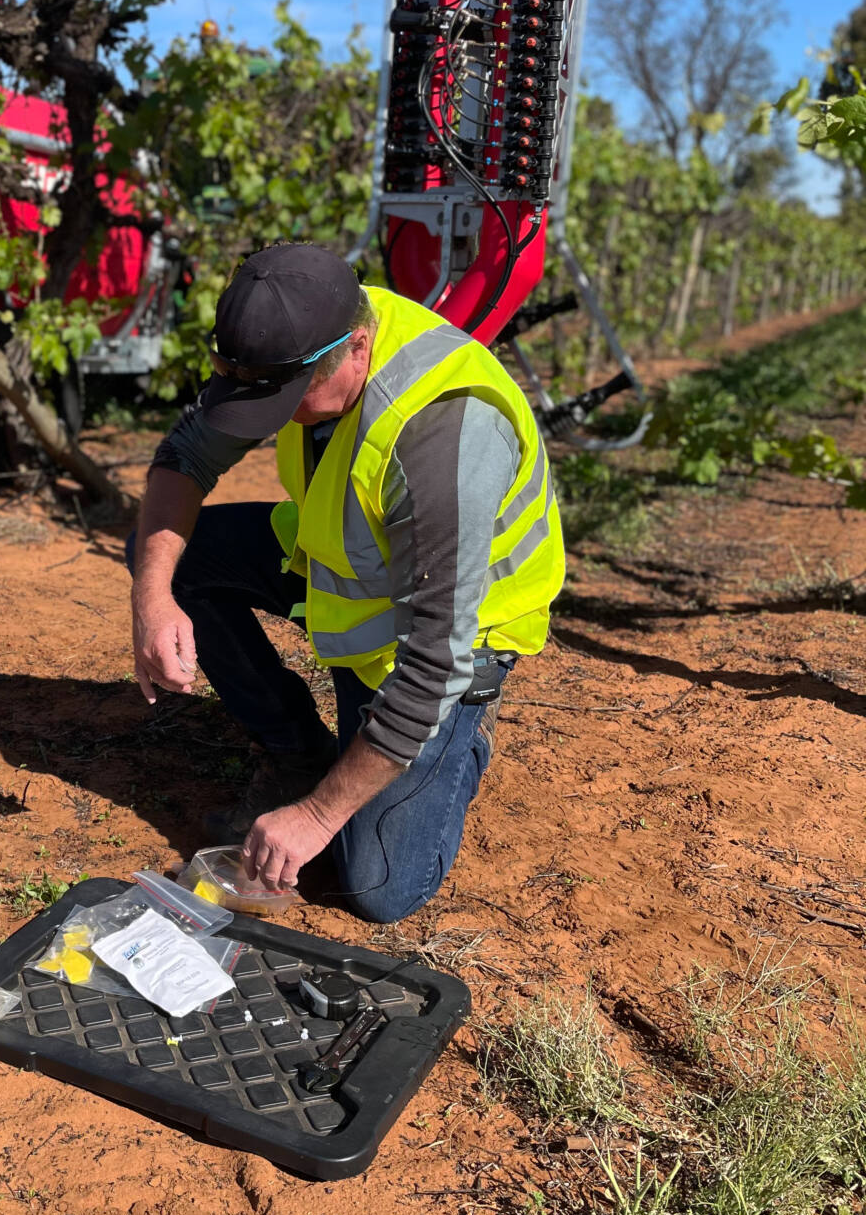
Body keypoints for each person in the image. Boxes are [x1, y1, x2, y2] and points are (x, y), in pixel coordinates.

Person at [129, 243, 564, 924]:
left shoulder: (442, 432)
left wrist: (315, 817)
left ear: (357, 347)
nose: (272, 420)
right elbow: (184, 456)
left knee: (379, 885)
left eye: (287, 400)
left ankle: (461, 737)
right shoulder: (295, 335)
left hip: (455, 642)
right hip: (349, 570)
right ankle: (298, 752)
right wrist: (153, 599)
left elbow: (433, 659)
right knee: (179, 555)